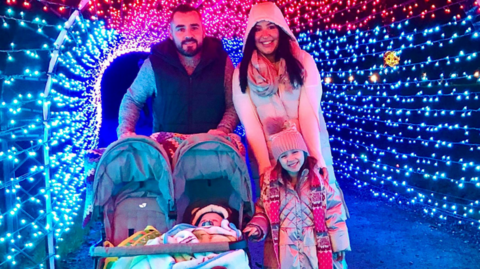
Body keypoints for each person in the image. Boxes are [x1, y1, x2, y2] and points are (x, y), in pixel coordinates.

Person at [232, 2, 348, 215]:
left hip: (306, 148)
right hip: (271, 156)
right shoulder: (241, 72)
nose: (265, 34)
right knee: (280, 218)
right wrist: (266, 167)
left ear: (282, 28)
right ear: (250, 34)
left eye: (271, 26)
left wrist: (315, 157)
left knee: (319, 210)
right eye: (257, 28)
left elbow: (308, 112)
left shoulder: (303, 61)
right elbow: (251, 125)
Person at [118, 4, 238, 138]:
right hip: (167, 150)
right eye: (180, 29)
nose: (188, 35)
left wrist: (223, 130)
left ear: (203, 31)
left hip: (211, 147)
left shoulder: (222, 62)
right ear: (171, 34)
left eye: (194, 27)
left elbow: (234, 104)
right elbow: (132, 99)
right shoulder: (155, 64)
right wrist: (125, 132)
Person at [243, 119, 350, 269]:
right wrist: (258, 226)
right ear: (279, 159)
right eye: (284, 155)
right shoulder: (272, 184)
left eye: (295, 152)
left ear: (304, 152)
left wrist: (339, 243)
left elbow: (334, 211)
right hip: (285, 251)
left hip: (315, 248)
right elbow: (263, 211)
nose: (291, 159)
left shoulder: (317, 180)